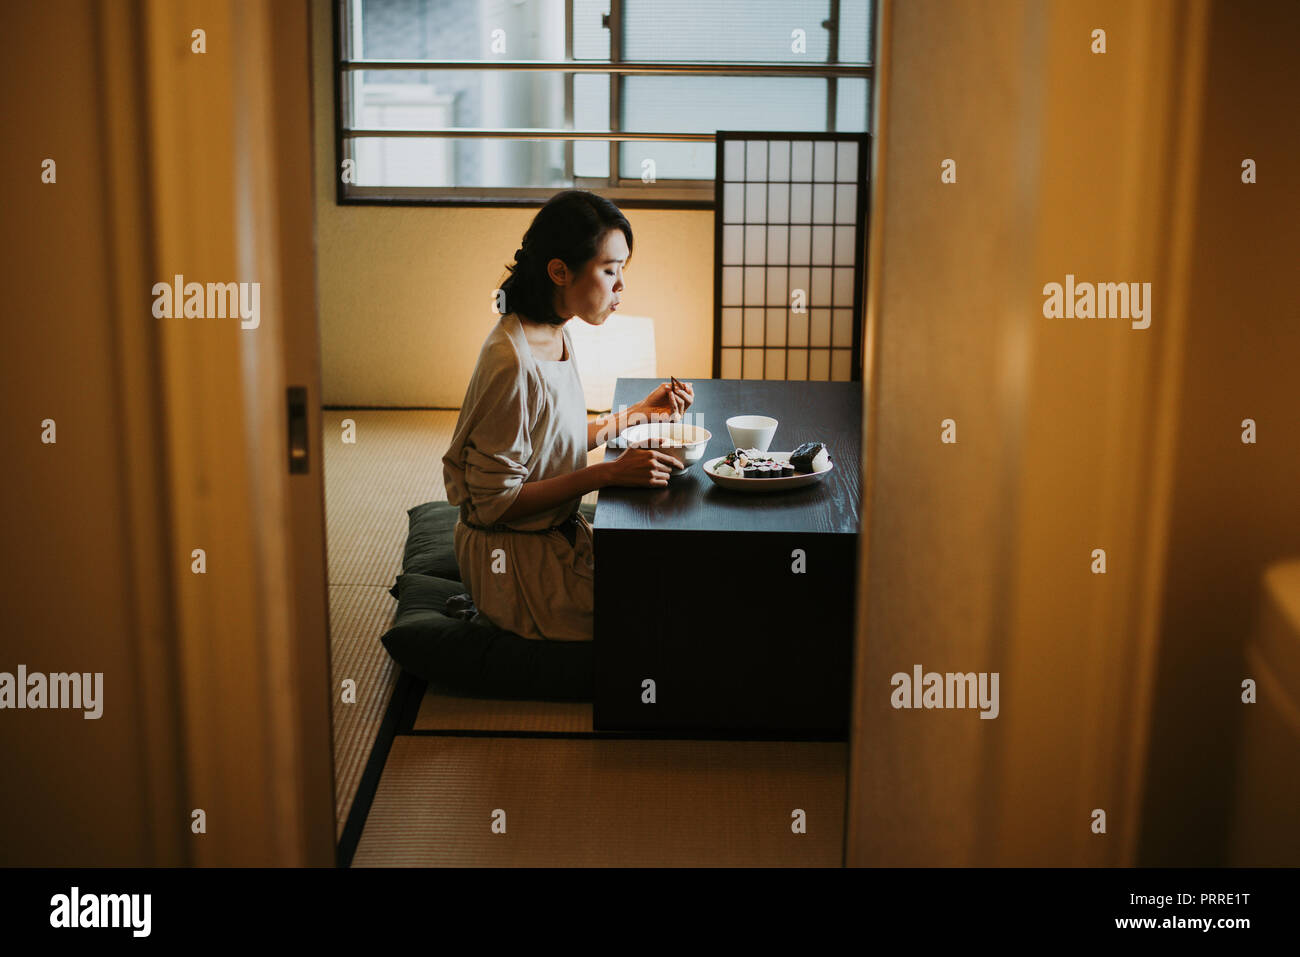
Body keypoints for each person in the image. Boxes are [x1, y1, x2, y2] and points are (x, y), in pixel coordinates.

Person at [442, 190, 694, 642]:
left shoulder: (553, 328)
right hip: (514, 559)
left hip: (553, 536)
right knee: (667, 613)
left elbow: (554, 441)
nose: (620, 286)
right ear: (559, 271)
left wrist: (638, 414)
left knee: (677, 566)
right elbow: (497, 502)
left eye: (623, 270)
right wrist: (608, 475)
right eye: (609, 270)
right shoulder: (512, 360)